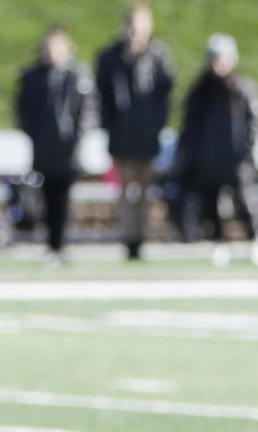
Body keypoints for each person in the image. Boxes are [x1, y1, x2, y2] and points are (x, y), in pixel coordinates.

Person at [178, 34, 258, 267]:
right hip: (209, 158)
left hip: (236, 157)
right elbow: (189, 124)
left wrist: (246, 149)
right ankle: (219, 241)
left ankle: (257, 238)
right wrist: (195, 151)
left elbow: (254, 121)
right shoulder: (200, 90)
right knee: (211, 203)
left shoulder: (241, 88)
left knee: (245, 199)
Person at [95, 2, 175, 261]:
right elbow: (102, 97)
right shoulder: (110, 57)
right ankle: (128, 238)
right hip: (120, 135)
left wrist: (156, 125)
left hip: (147, 136)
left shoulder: (158, 55)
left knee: (144, 191)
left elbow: (165, 95)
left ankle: (141, 237)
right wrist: (110, 124)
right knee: (125, 191)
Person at [16, 25, 96, 266]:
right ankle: (51, 244)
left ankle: (62, 244)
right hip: (44, 148)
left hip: (69, 149)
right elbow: (23, 111)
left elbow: (88, 109)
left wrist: (78, 135)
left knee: (64, 199)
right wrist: (35, 134)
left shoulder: (77, 74)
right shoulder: (32, 77)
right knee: (47, 198)